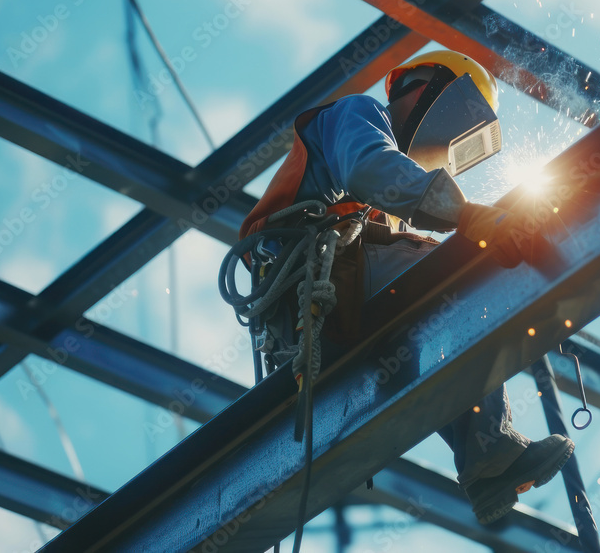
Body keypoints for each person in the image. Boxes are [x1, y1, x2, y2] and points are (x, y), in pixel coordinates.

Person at [239, 49, 573, 525]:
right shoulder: (361, 113)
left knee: (439, 336)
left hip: (327, 304)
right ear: (421, 86)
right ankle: (489, 453)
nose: (450, 137)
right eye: (458, 116)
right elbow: (368, 168)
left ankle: (487, 461)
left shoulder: (388, 200)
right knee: (469, 281)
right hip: (318, 281)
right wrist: (467, 219)